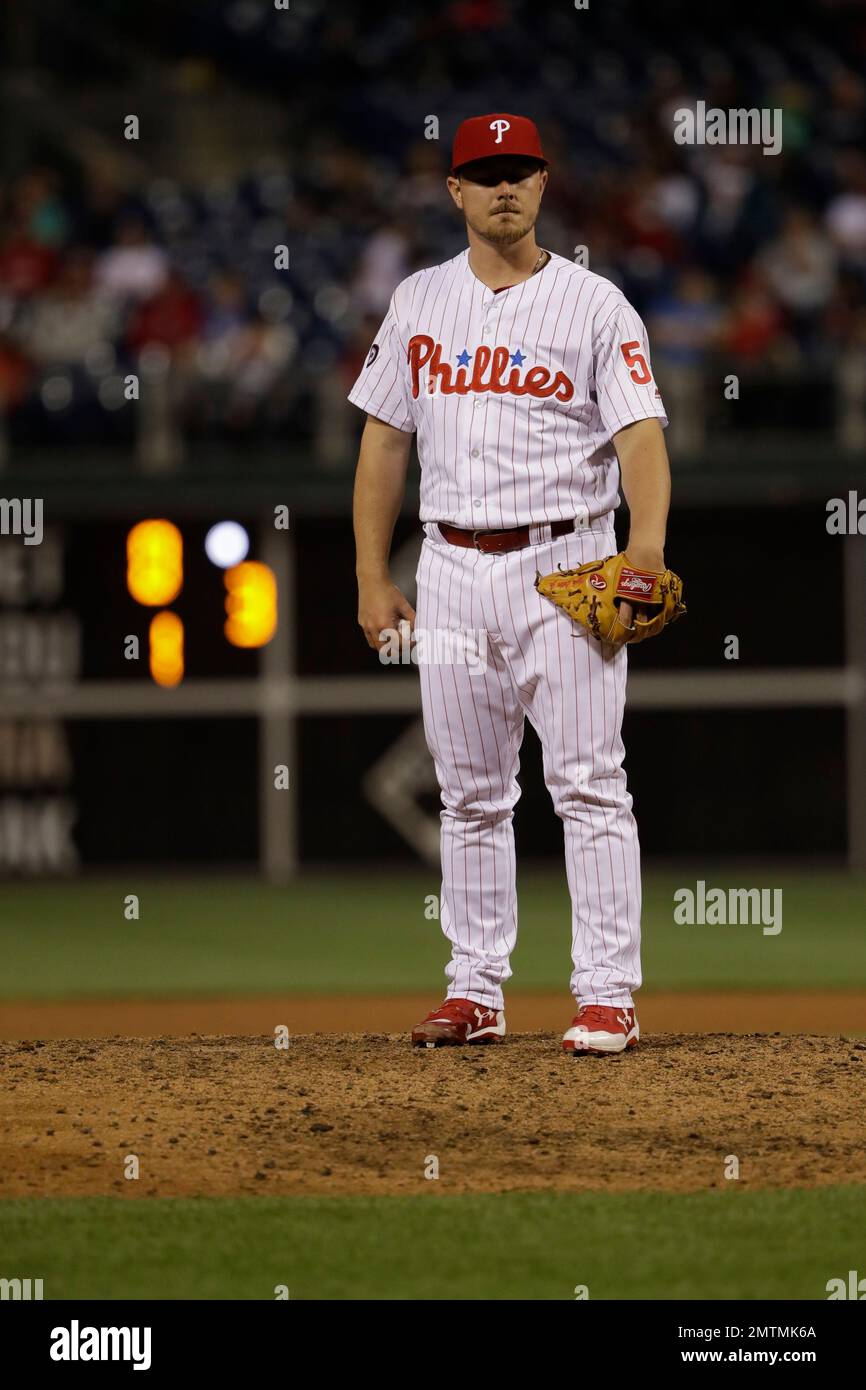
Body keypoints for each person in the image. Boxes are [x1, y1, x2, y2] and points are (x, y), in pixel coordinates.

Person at [349, 114, 672, 1056]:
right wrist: (374, 574)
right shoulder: (417, 302)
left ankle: (607, 992)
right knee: (470, 792)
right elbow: (382, 440)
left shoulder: (597, 305)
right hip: (447, 566)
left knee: (588, 783)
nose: (503, 187)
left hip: (567, 561)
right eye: (483, 173)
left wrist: (644, 546)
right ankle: (475, 988)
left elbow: (641, 436)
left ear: (543, 184)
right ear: (454, 191)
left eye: (519, 171)